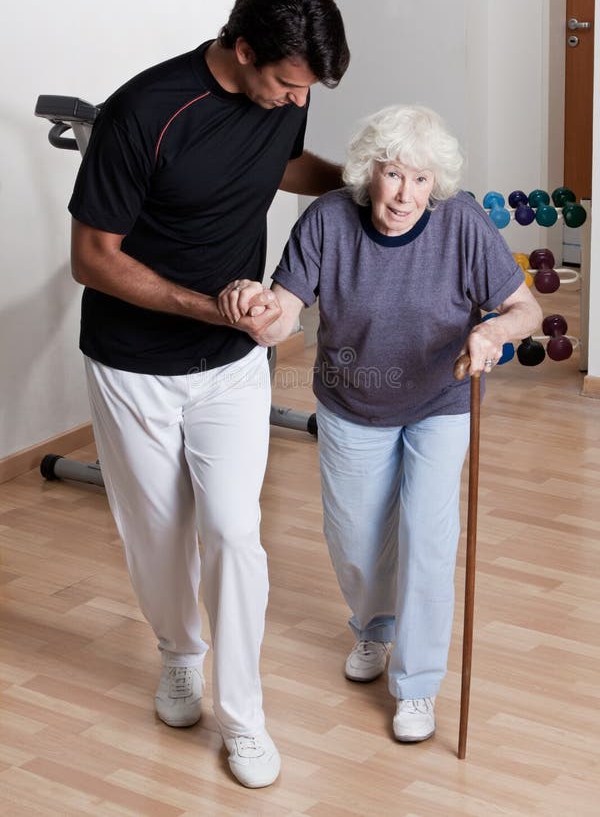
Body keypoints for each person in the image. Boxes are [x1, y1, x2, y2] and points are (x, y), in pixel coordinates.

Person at [68, 0, 349, 788]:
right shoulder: (145, 112)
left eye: (309, 91)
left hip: (231, 367)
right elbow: (92, 259)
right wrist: (209, 308)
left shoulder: (286, 97)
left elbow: (286, 163)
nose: (296, 102)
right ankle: (178, 654)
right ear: (243, 48)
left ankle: (245, 717)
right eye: (287, 85)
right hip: (135, 366)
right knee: (157, 537)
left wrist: (364, 187)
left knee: (232, 532)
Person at [218, 104, 542, 744]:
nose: (406, 195)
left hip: (439, 400)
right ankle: (373, 628)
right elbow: (286, 313)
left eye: (421, 180)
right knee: (356, 541)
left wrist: (493, 332)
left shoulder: (462, 224)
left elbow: (523, 308)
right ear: (370, 174)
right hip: (351, 403)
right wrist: (259, 309)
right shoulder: (328, 223)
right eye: (394, 175)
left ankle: (416, 685)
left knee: (428, 536)